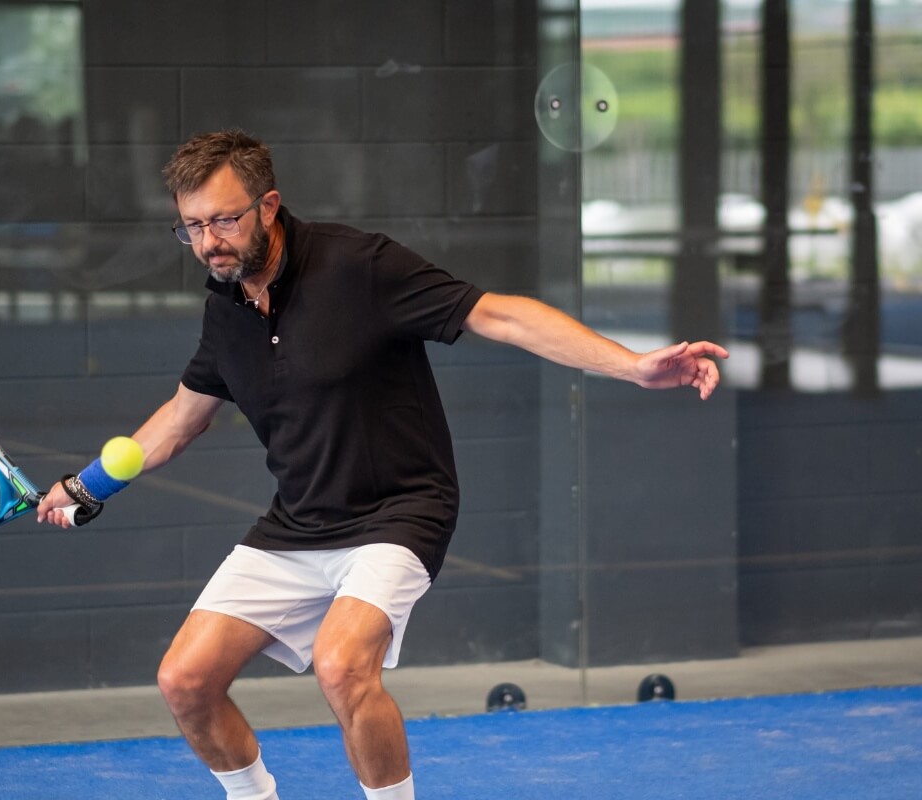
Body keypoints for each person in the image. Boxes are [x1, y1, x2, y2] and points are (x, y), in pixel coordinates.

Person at [37, 129, 728, 799]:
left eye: (224, 219)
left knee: (341, 664)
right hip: (299, 522)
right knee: (185, 680)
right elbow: (182, 417)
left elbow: (501, 316)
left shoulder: (359, 266)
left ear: (268, 206)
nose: (209, 241)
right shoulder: (227, 305)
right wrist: (86, 486)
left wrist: (632, 365)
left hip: (399, 511)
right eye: (192, 226)